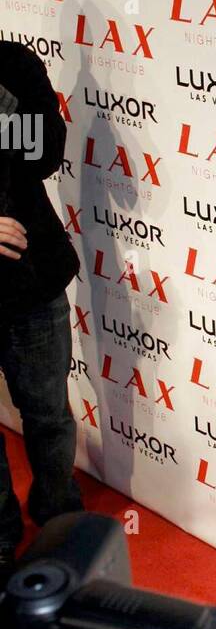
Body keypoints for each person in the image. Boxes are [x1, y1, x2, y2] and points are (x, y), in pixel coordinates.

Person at [0, 41, 83, 586]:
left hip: (31, 280)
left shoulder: (14, 65)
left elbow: (42, 157)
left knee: (49, 415)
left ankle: (59, 520)